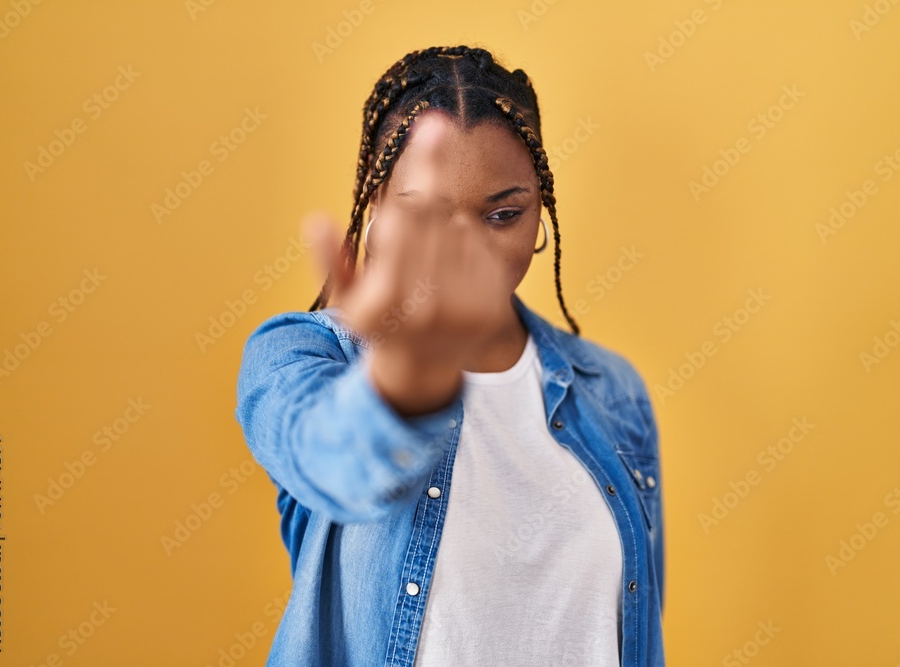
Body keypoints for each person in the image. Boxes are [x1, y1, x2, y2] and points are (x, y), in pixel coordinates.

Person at [234, 44, 665, 667]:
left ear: (540, 211)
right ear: (376, 211)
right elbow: (333, 462)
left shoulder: (614, 391)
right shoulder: (302, 354)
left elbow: (638, 629)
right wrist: (403, 388)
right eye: (427, 216)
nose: (468, 253)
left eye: (503, 214)